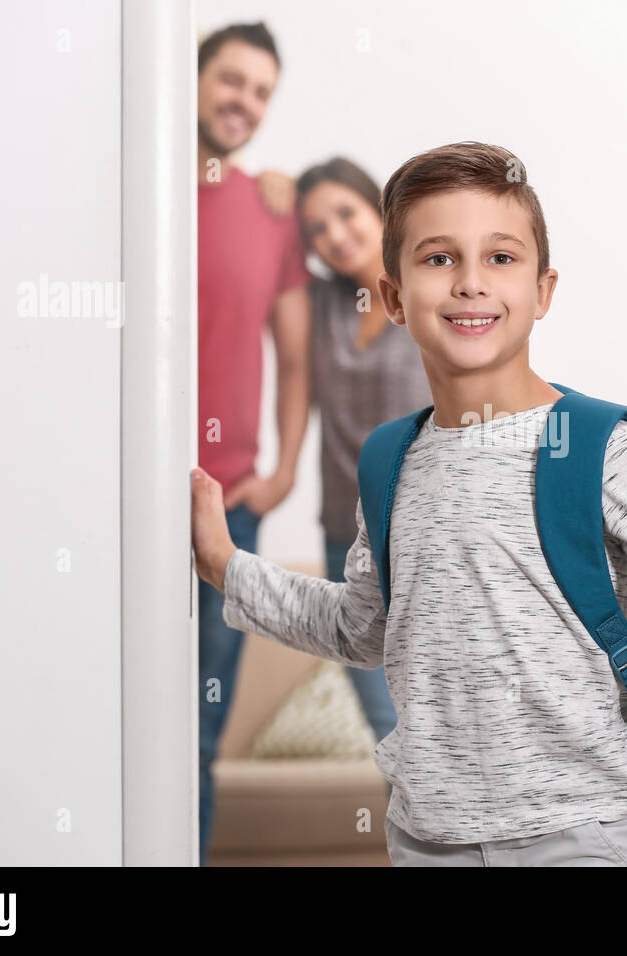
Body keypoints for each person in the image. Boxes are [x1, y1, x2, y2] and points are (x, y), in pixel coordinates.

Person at [190, 141, 627, 866]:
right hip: (425, 840)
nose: (471, 283)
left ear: (542, 289)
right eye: (439, 258)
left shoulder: (602, 448)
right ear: (394, 297)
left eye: (500, 258)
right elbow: (363, 628)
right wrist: (226, 565)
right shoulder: (387, 460)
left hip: (584, 837)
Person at [252, 158, 433, 754]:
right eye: (316, 229)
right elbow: (296, 382)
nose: (334, 236)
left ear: (379, 209)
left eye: (345, 214)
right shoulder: (322, 303)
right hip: (346, 537)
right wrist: (268, 192)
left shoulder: (429, 290)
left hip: (429, 537)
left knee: (443, 726)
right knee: (388, 729)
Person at [195, 21, 313, 865]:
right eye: (232, 80)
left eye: (261, 90)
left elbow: (298, 356)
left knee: (199, 730)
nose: (245, 101)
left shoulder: (273, 211)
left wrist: (282, 473)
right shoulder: (137, 183)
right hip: (119, 498)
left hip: (232, 508)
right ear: (194, 79)